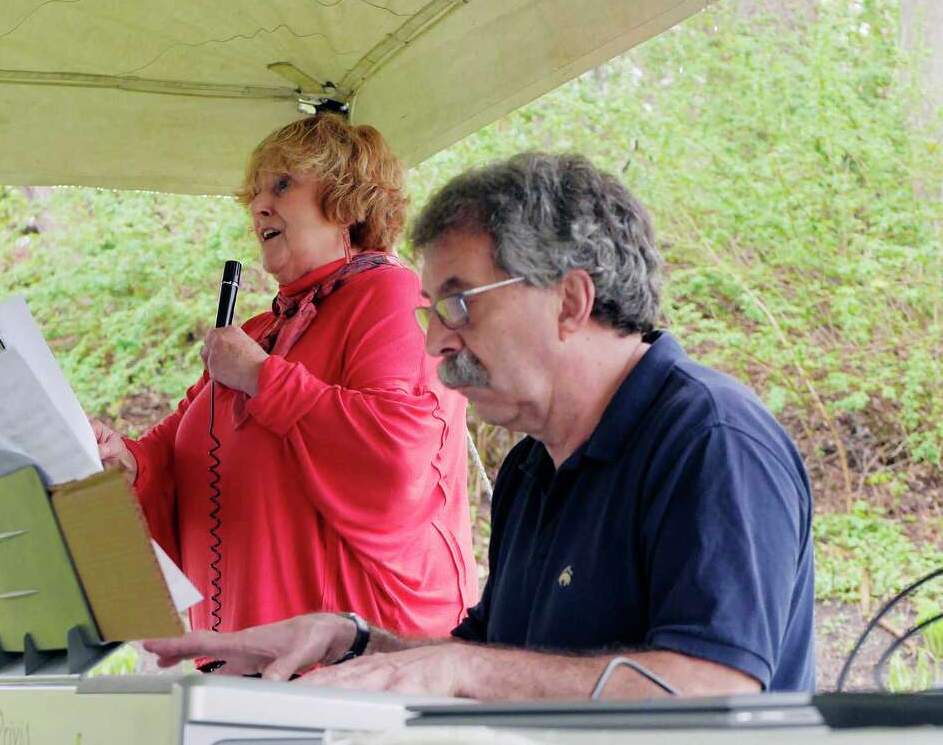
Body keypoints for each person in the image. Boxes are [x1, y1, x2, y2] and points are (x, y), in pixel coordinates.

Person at [142, 152, 815, 699]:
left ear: (571, 301)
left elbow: (715, 688)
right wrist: (349, 639)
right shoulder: (532, 466)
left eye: (459, 304)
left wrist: (464, 669)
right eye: (433, 312)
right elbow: (492, 660)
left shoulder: (710, 440)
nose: (435, 343)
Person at [91, 114, 477, 639]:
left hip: (357, 653)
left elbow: (395, 455)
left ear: (346, 202)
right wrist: (127, 462)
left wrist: (260, 377)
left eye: (282, 184)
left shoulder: (391, 293)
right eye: (255, 191)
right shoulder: (258, 330)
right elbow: (174, 451)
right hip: (245, 652)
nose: (258, 205)